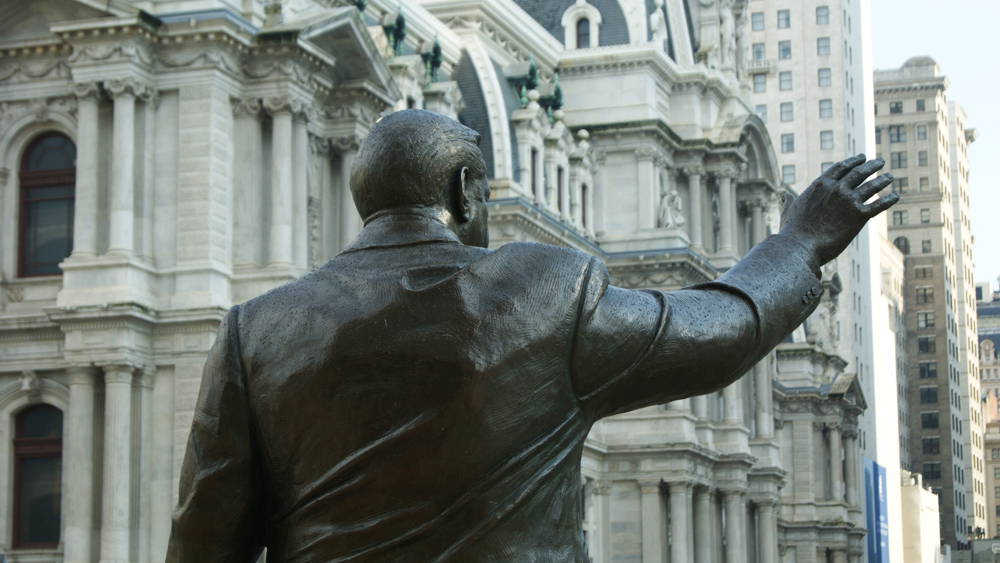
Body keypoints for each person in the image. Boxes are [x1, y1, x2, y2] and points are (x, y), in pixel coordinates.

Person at [166, 110, 895, 563]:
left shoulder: (253, 331)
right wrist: (801, 240)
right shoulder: (544, 292)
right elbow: (725, 329)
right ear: (463, 192)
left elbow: (203, 545)